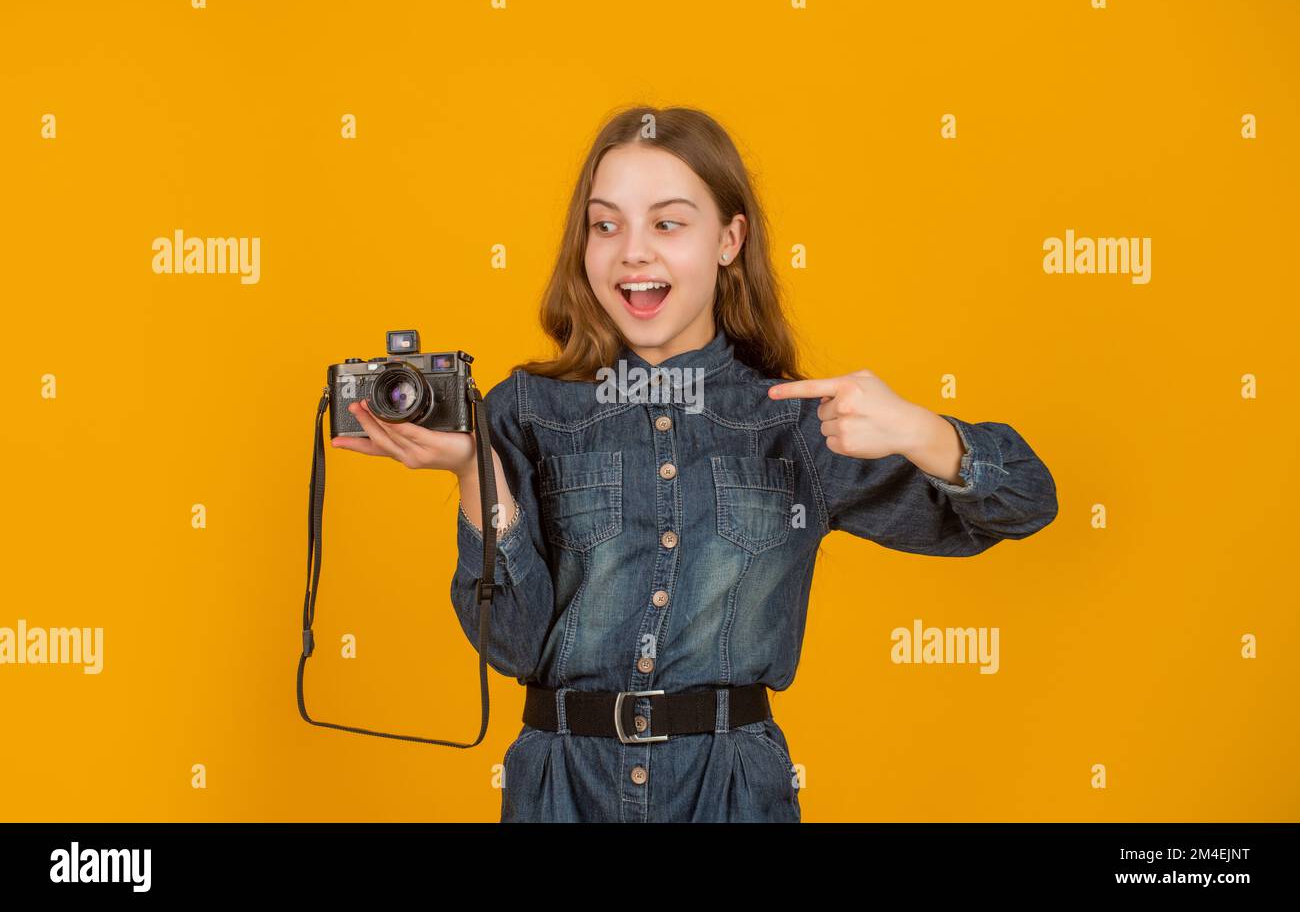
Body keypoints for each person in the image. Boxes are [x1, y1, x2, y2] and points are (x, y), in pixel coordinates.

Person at [331, 105, 1059, 822]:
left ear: (729, 240)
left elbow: (1027, 502)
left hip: (732, 792)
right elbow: (512, 645)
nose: (632, 252)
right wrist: (473, 472)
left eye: (667, 223)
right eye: (605, 225)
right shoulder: (526, 410)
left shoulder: (798, 422)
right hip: (560, 791)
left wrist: (922, 430)